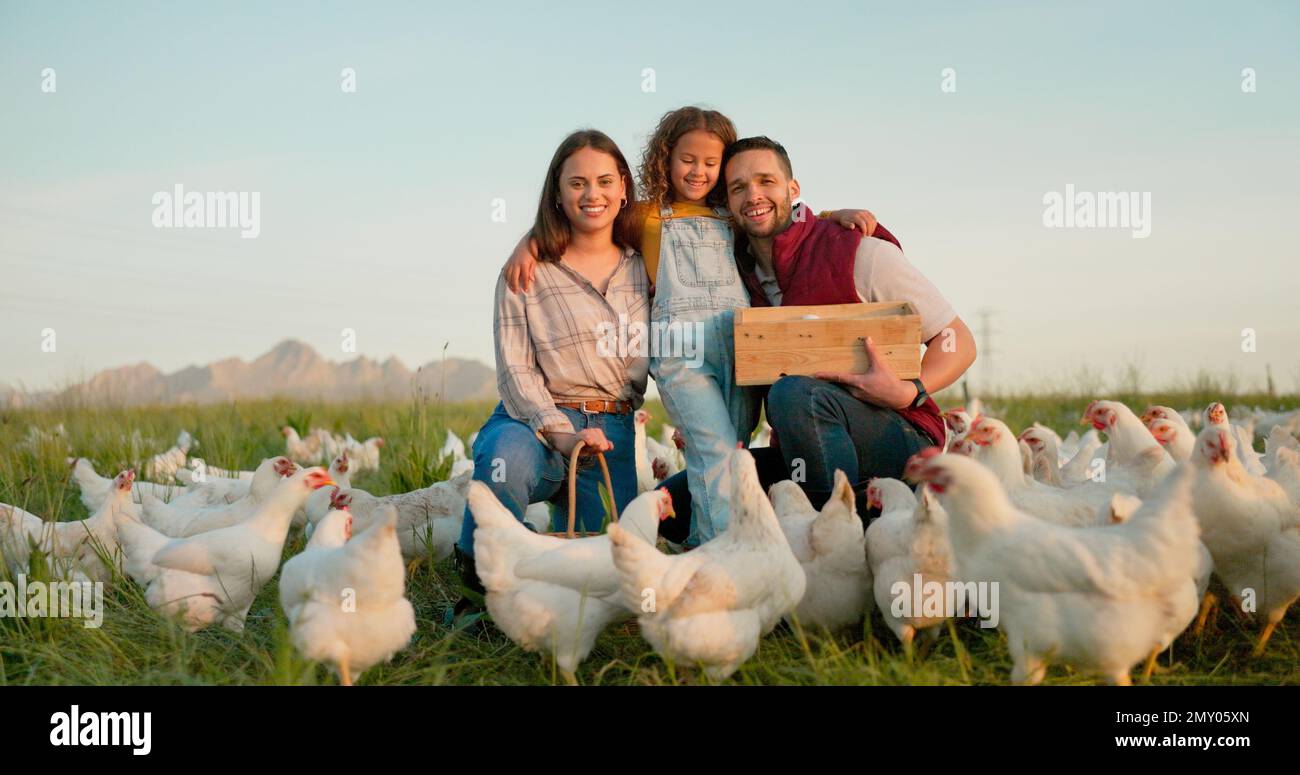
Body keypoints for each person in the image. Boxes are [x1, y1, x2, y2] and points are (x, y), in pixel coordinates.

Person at [504, 107, 886, 546]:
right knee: (715, 451)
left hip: (739, 350)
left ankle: (705, 546)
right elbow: (585, 219)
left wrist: (839, 213)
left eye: (711, 162)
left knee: (733, 453)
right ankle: (723, 556)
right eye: (688, 159)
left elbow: (787, 216)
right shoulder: (647, 216)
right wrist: (529, 243)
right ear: (665, 158)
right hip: (679, 353)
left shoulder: (736, 218)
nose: (699, 171)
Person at [724, 136, 977, 520]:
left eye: (766, 182)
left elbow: (958, 340)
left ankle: (837, 543)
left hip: (898, 436)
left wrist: (909, 392)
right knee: (691, 495)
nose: (753, 195)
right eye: (738, 187)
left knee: (797, 392)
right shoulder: (735, 276)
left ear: (793, 190)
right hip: (803, 450)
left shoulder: (858, 252)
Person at [451, 129, 647, 617]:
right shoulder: (525, 272)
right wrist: (559, 433)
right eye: (576, 183)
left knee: (605, 572)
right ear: (557, 193)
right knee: (503, 464)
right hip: (537, 419)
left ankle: (533, 563)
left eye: (604, 181)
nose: (592, 194)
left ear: (624, 187)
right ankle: (476, 593)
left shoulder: (649, 266)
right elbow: (515, 368)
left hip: (614, 429)